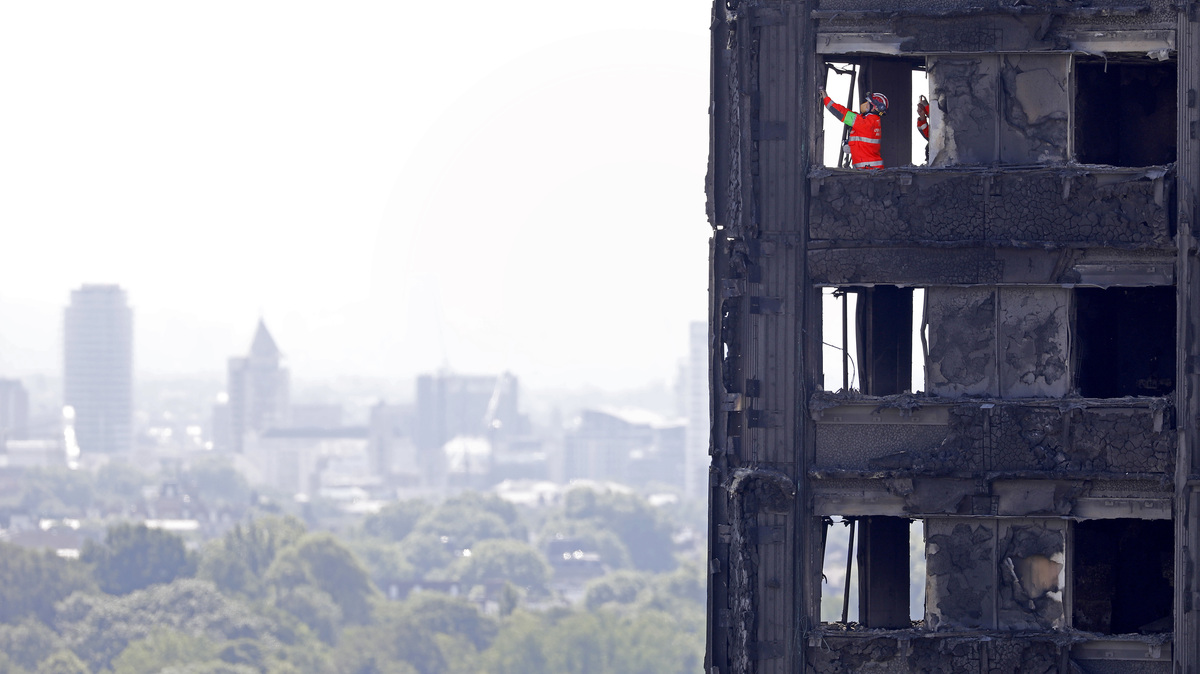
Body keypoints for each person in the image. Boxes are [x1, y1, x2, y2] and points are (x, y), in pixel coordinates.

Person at [818, 88, 888, 169]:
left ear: (874, 108)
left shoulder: (866, 123)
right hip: (870, 169)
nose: (865, 104)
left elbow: (843, 113)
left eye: (868, 103)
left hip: (868, 170)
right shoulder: (872, 121)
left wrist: (826, 100)